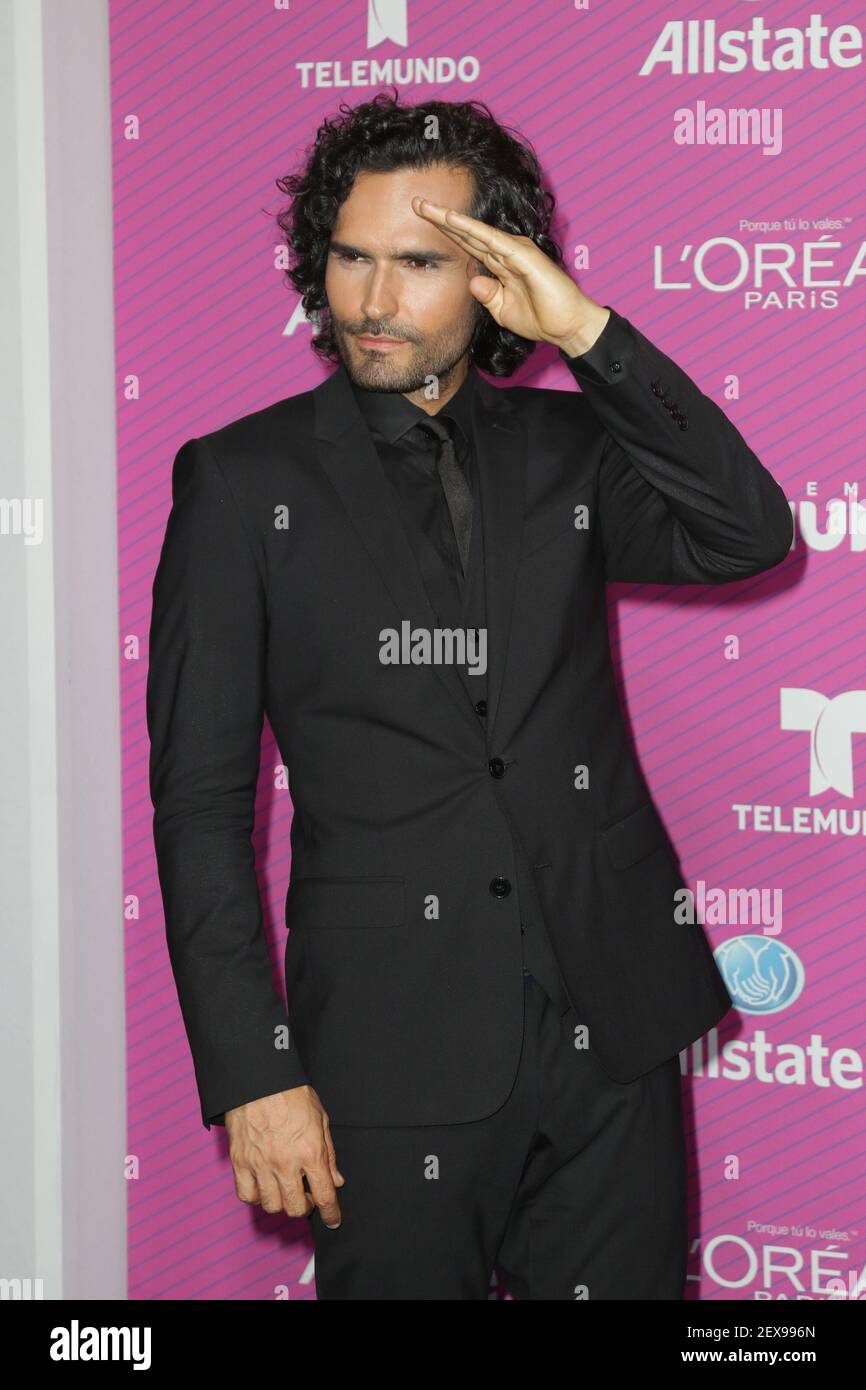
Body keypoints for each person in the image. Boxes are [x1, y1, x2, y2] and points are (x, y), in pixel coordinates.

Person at [146, 92, 793, 1300]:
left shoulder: (573, 450)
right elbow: (199, 805)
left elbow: (747, 533)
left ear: (494, 277)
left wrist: (590, 334)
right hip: (387, 1055)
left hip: (612, 1029)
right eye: (348, 256)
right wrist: (252, 1070)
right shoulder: (241, 483)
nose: (371, 302)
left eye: (418, 263)